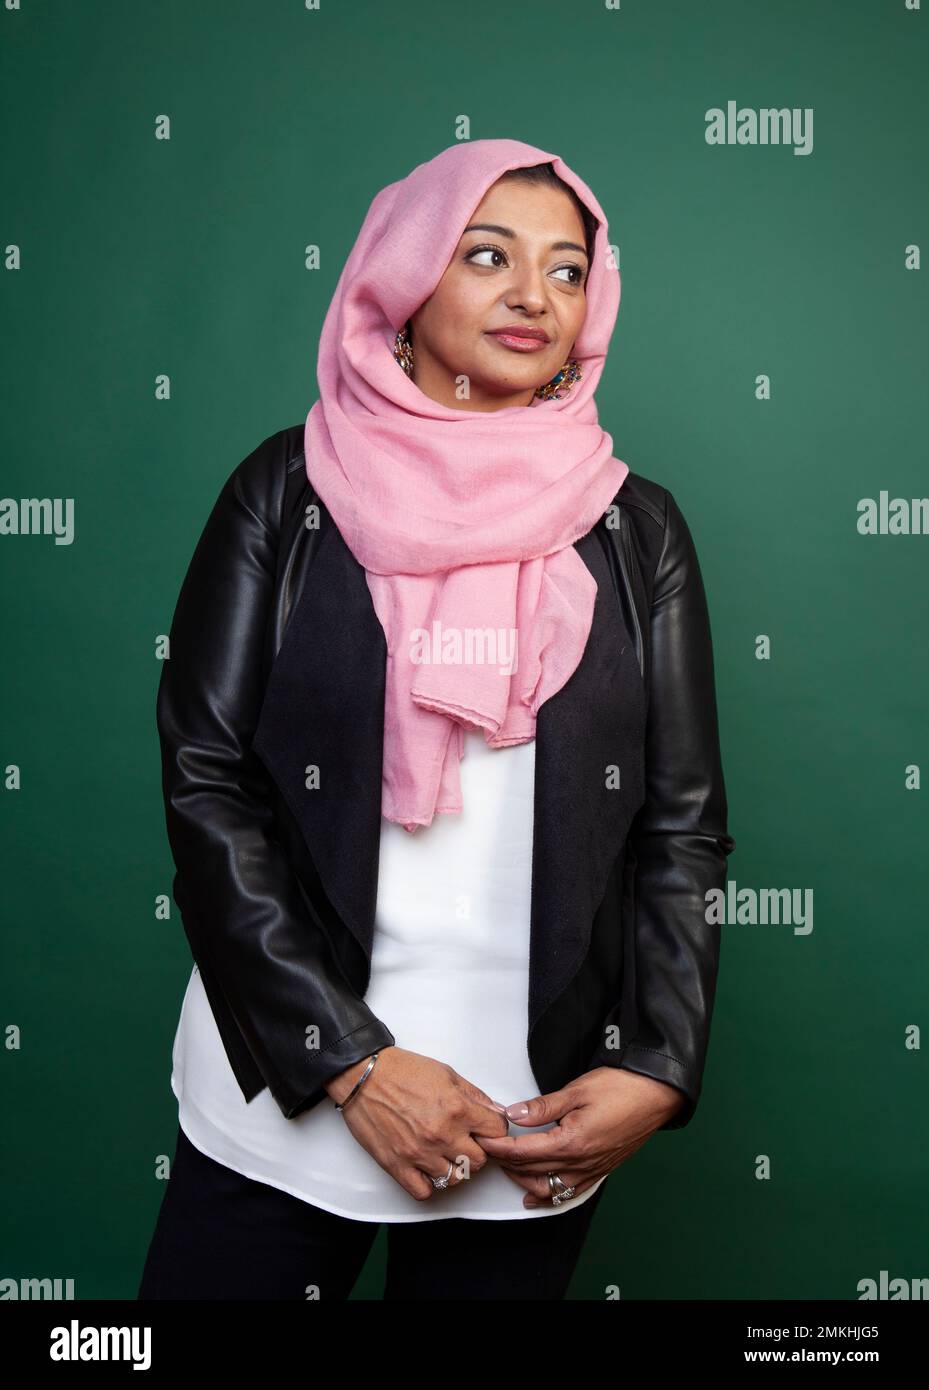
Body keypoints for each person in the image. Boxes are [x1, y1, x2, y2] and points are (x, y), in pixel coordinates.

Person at [137, 138, 736, 1301]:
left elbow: (681, 825)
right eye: (486, 256)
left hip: (533, 1116)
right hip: (287, 1084)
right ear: (404, 279)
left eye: (568, 271)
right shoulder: (284, 491)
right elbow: (207, 784)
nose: (532, 296)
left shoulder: (635, 527)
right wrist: (350, 1063)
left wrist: (658, 1061)